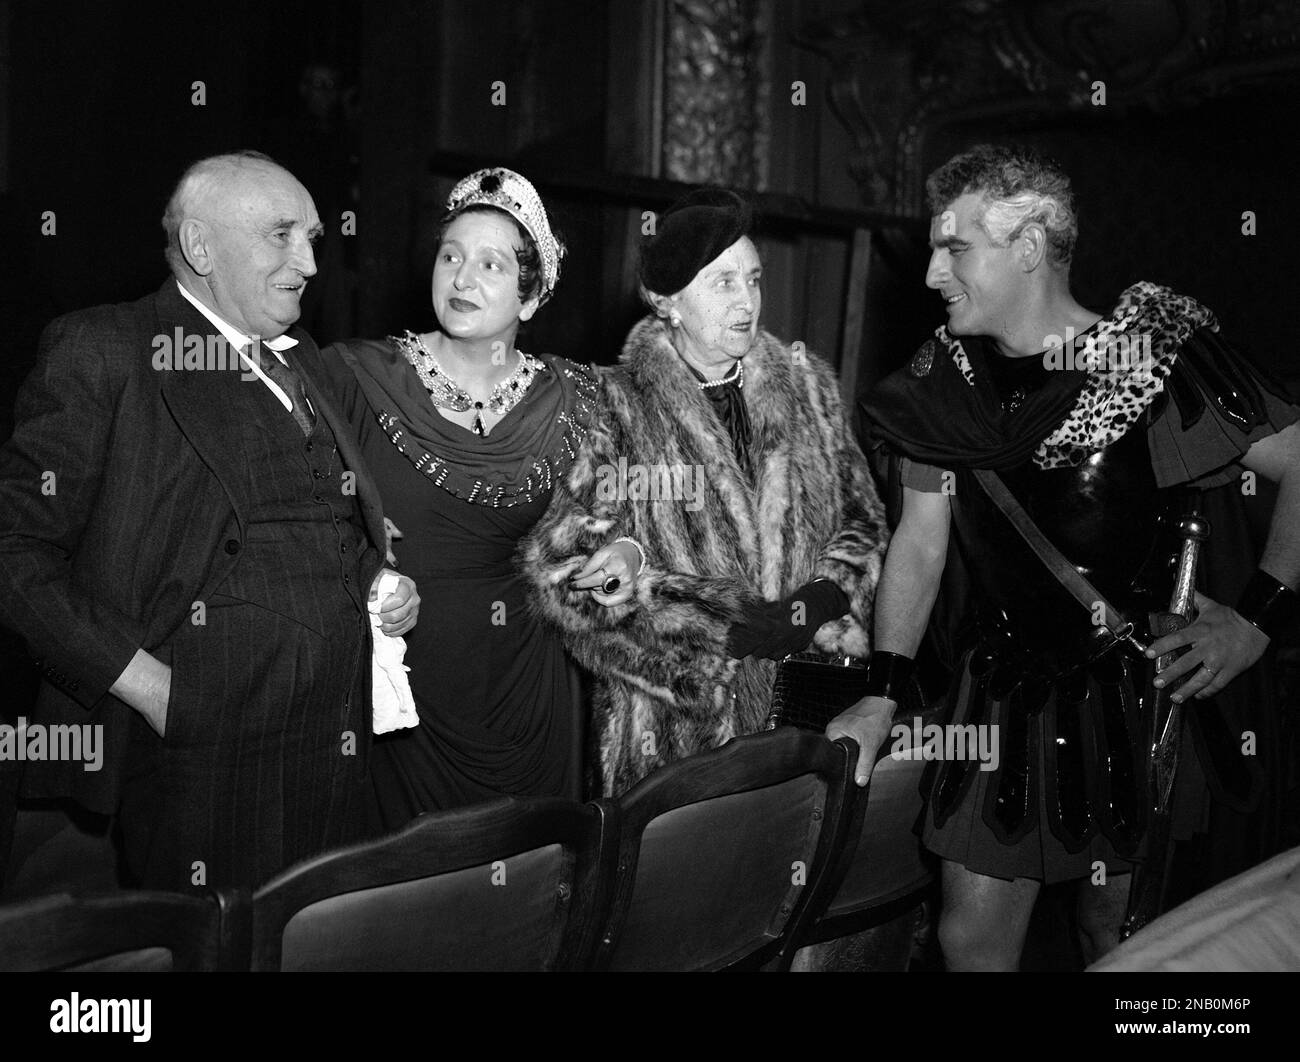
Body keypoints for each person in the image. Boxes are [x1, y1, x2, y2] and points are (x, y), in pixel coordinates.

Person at [838, 143, 1300, 970]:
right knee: (968, 941)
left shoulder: (1147, 361)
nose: (934, 274)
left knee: (1121, 940)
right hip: (998, 696)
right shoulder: (939, 388)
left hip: (1139, 691)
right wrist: (884, 689)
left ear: (1028, 245)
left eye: (956, 248)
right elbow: (920, 542)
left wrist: (1259, 621)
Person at [0, 150, 418, 891]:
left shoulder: (313, 365)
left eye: (315, 237)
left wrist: (379, 584)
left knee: (324, 940)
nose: (311, 262)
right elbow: (15, 555)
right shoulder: (107, 349)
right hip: (200, 754)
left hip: (339, 743)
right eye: (283, 234)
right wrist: (153, 691)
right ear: (200, 247)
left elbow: (329, 515)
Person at [523, 188, 890, 797]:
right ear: (668, 301)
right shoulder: (616, 406)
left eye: (753, 279)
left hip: (810, 716)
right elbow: (559, 574)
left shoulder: (808, 387)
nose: (747, 301)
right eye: (722, 283)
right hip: (676, 739)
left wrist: (821, 600)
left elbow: (865, 520)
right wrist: (719, 623)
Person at [320, 167, 597, 824]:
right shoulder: (355, 376)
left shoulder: (573, 399)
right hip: (398, 694)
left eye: (492, 265)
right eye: (451, 256)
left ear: (530, 298)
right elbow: (304, 518)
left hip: (527, 696)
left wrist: (623, 554)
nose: (462, 278)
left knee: (526, 900)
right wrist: (359, 577)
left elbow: (613, 529)